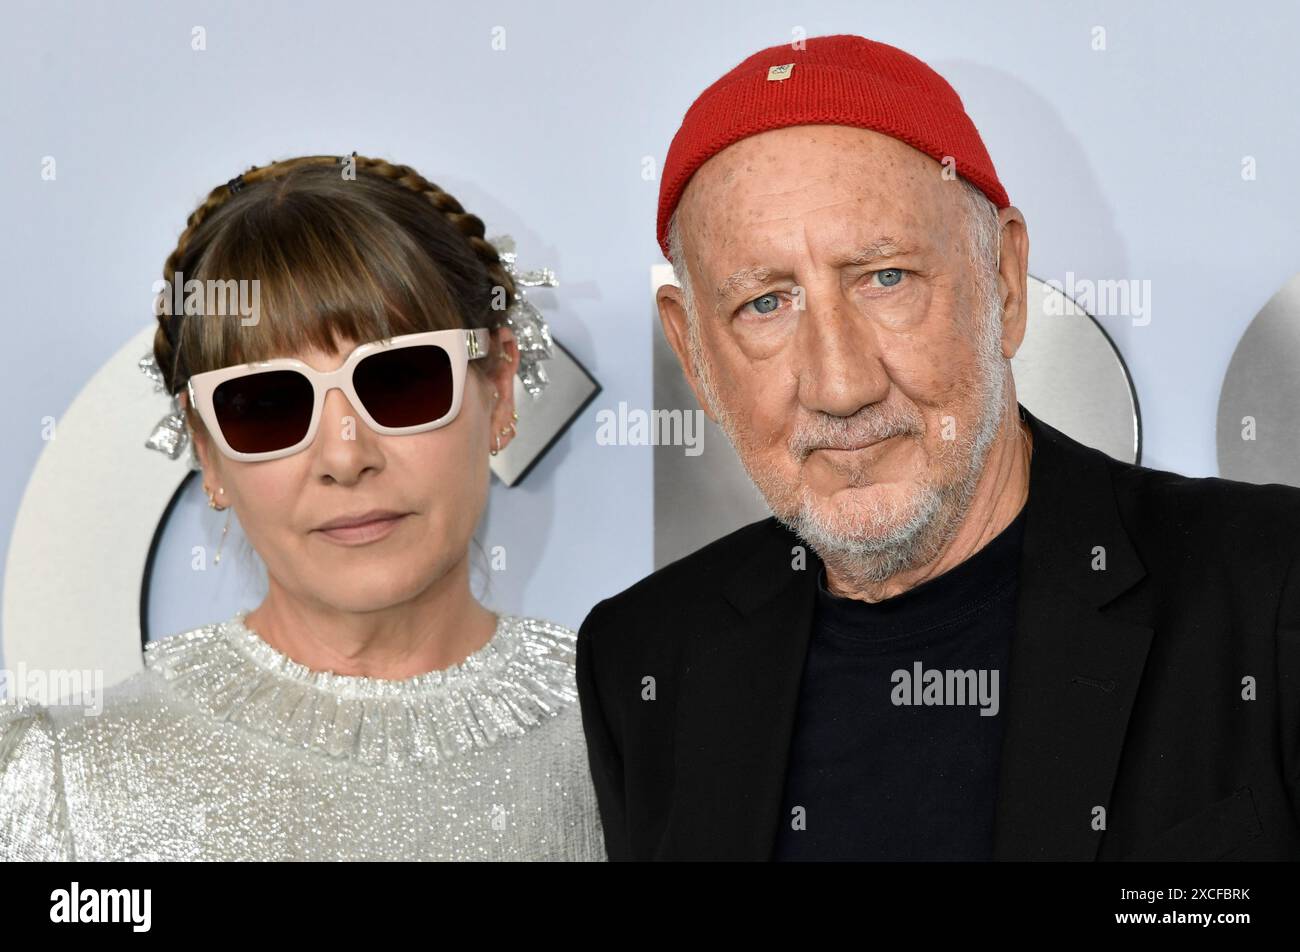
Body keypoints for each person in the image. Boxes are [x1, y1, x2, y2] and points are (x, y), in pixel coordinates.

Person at [576, 34, 1300, 860]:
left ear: (1004, 281)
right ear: (694, 353)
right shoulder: (642, 655)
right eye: (766, 304)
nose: (839, 384)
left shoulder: (1270, 585)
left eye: (884, 278)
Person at [0, 153, 605, 861]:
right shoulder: (64, 787)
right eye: (269, 406)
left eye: (400, 380)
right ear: (208, 450)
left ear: (498, 391)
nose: (345, 457)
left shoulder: (643, 745)